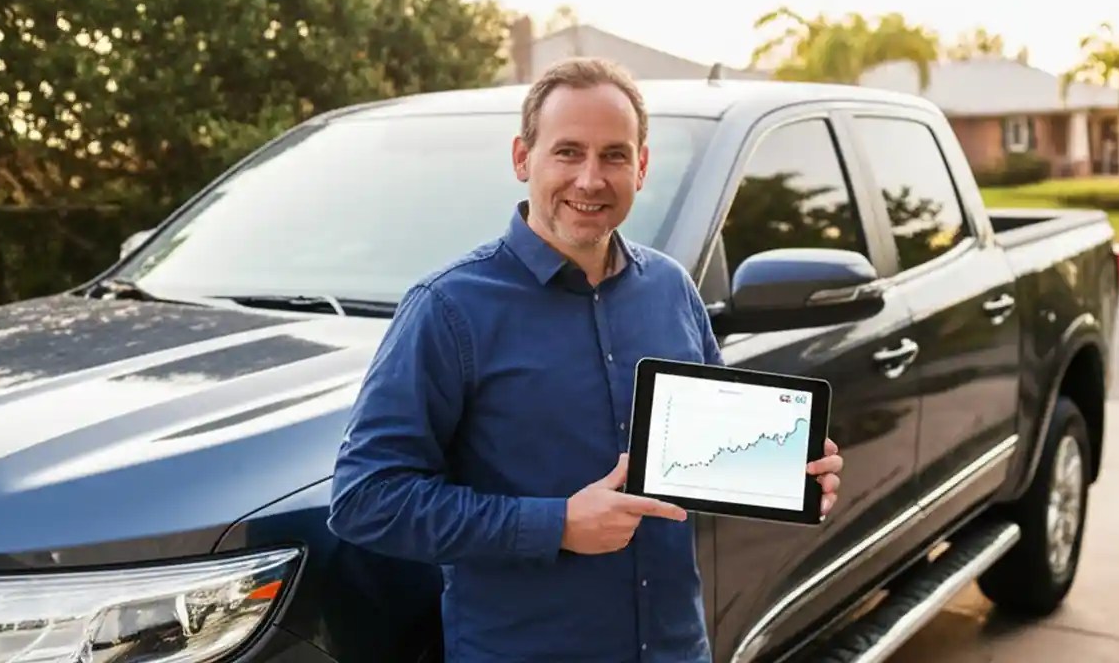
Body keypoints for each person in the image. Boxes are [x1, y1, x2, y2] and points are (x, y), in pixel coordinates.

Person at [327, 57, 845, 663]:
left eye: (615, 155)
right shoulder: (448, 309)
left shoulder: (671, 290)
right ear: (524, 159)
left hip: (676, 648)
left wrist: (786, 472)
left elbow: (697, 461)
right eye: (568, 152)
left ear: (642, 167)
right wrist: (557, 525)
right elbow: (365, 499)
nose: (591, 180)